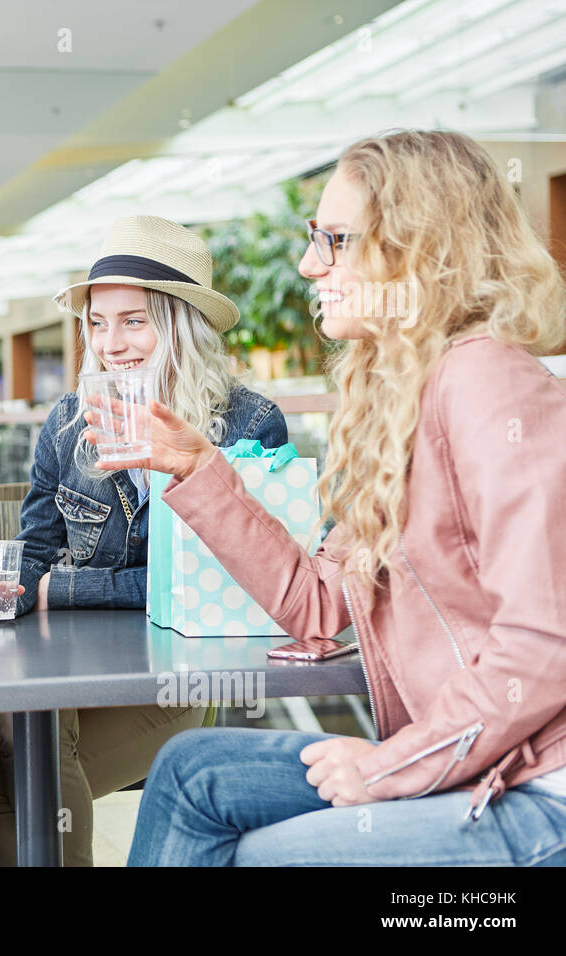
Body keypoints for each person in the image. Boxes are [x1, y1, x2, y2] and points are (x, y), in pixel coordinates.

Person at [114, 130, 566, 866]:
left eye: (334, 240)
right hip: (476, 762)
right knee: (190, 772)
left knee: (256, 858)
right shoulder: (399, 401)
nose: (307, 264)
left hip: (540, 792)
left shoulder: (488, 381)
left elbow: (548, 643)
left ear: (416, 246)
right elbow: (322, 607)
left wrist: (390, 766)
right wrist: (199, 470)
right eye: (311, 238)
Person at [0, 215, 290, 866]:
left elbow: (213, 586)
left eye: (134, 320)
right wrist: (14, 589)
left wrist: (58, 591)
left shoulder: (249, 425)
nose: (112, 344)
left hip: (179, 680)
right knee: (21, 726)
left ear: (180, 324)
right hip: (71, 676)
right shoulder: (70, 424)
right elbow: (32, 560)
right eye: (98, 323)